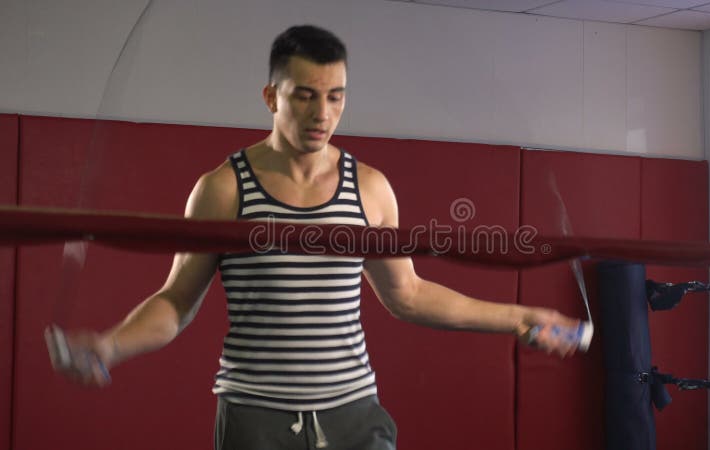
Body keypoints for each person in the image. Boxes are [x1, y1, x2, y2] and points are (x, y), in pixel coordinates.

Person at [47, 25, 582, 450]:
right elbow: (176, 301)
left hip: (354, 414)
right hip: (256, 417)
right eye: (304, 96)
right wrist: (112, 344)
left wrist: (521, 317)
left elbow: (409, 294)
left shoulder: (369, 188)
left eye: (334, 96)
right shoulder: (223, 188)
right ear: (271, 96)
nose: (321, 113)